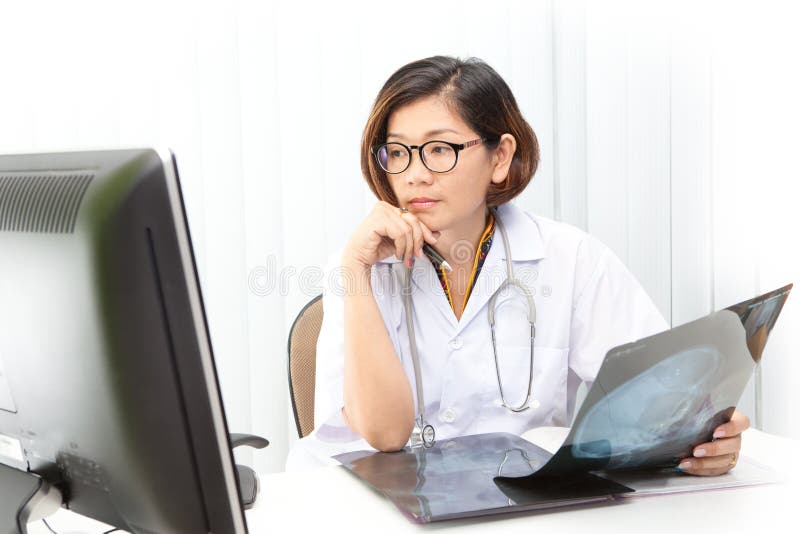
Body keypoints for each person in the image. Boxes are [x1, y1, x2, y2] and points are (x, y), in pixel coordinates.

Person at [310, 56, 748, 476]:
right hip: (371, 501)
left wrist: (706, 440)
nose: (414, 175)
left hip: (519, 501)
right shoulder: (357, 269)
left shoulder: (571, 260)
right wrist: (355, 269)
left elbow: (663, 398)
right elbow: (385, 435)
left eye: (439, 149)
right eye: (399, 152)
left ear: (499, 157)